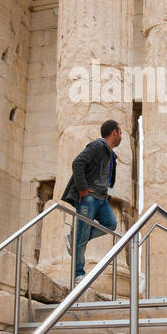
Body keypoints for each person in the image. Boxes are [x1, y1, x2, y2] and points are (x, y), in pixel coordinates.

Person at [61, 120, 123, 285]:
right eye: (120, 132)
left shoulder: (111, 154)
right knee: (82, 235)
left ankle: (74, 237)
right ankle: (78, 274)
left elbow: (107, 178)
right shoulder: (97, 146)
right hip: (88, 197)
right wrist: (82, 189)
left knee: (110, 224)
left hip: (101, 199)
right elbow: (78, 163)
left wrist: (108, 194)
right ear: (114, 132)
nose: (121, 136)